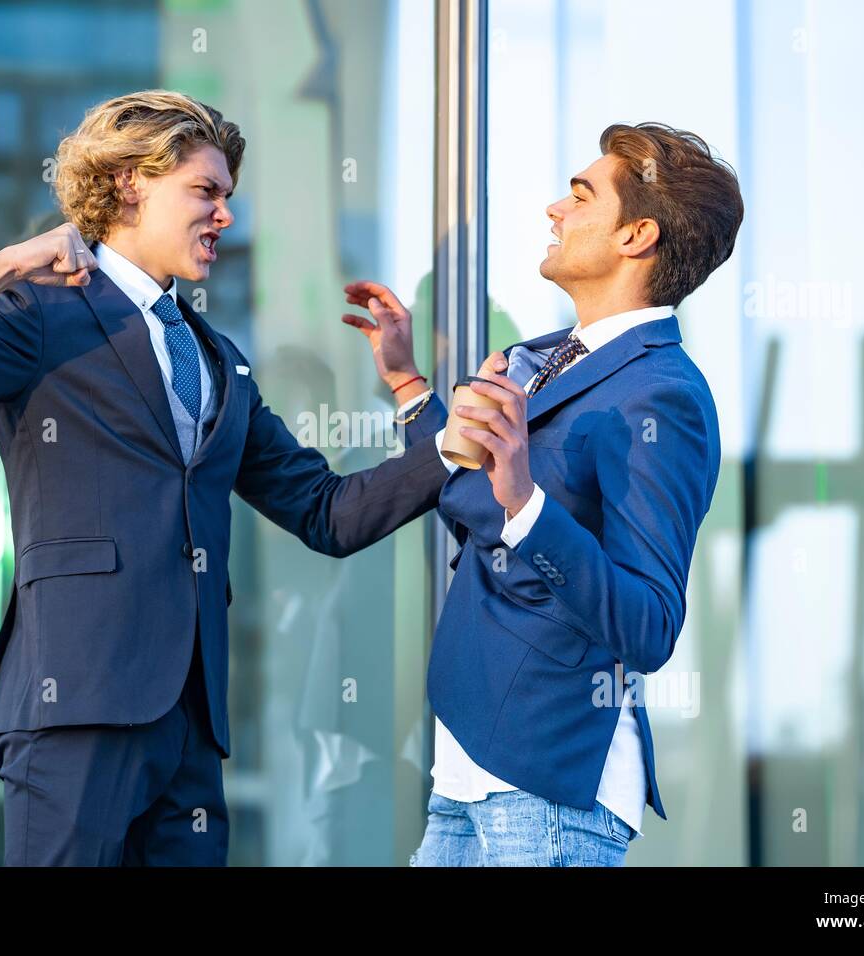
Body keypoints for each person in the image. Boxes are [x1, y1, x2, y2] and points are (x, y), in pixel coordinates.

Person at [0, 90, 449, 866]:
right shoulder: (39, 313)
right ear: (131, 184)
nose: (225, 216)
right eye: (207, 192)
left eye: (227, 198)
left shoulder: (220, 359)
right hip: (76, 710)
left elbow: (329, 515)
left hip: (192, 732)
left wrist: (428, 412)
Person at [342, 122, 742, 866]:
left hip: (548, 790)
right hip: (464, 773)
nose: (555, 209)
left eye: (582, 195)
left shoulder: (663, 397)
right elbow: (472, 500)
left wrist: (527, 501)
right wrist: (408, 386)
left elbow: (649, 625)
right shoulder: (546, 357)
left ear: (637, 235)